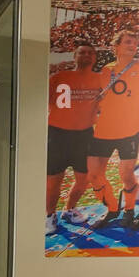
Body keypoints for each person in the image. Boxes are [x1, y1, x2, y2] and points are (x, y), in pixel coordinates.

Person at [86, 29, 139, 231]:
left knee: (126, 174)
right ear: (116, 46)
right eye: (127, 42)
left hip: (129, 131)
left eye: (134, 43)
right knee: (94, 174)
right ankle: (112, 208)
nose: (132, 46)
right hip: (103, 130)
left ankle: (129, 211)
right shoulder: (106, 70)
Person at [46, 39, 100, 234]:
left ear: (95, 58)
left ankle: (69, 209)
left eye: (89, 53)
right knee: (53, 181)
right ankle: (49, 215)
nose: (86, 55)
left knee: (84, 178)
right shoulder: (59, 77)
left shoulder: (99, 79)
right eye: (82, 52)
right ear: (74, 56)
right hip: (58, 134)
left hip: (85, 135)